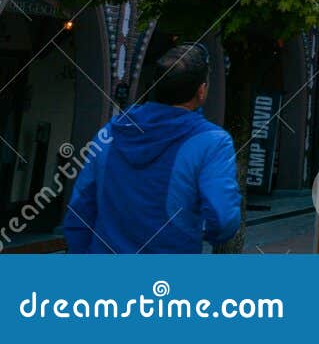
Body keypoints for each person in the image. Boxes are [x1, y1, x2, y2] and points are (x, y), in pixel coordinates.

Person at [63, 43, 241, 254]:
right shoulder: (212, 142)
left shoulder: (111, 131)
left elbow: (80, 208)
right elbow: (223, 220)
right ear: (201, 91)